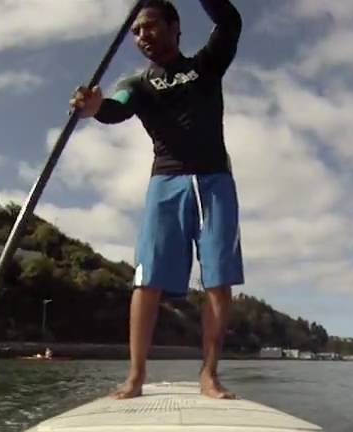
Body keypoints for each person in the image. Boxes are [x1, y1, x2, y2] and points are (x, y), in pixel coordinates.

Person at [70, 0, 242, 400]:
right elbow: (116, 109)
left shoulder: (205, 66)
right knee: (145, 281)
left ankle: (209, 375)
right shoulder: (138, 85)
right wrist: (95, 107)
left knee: (218, 278)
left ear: (173, 26)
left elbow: (230, 21)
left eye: (148, 27)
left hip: (215, 181)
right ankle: (135, 376)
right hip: (165, 183)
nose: (141, 36)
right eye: (134, 31)